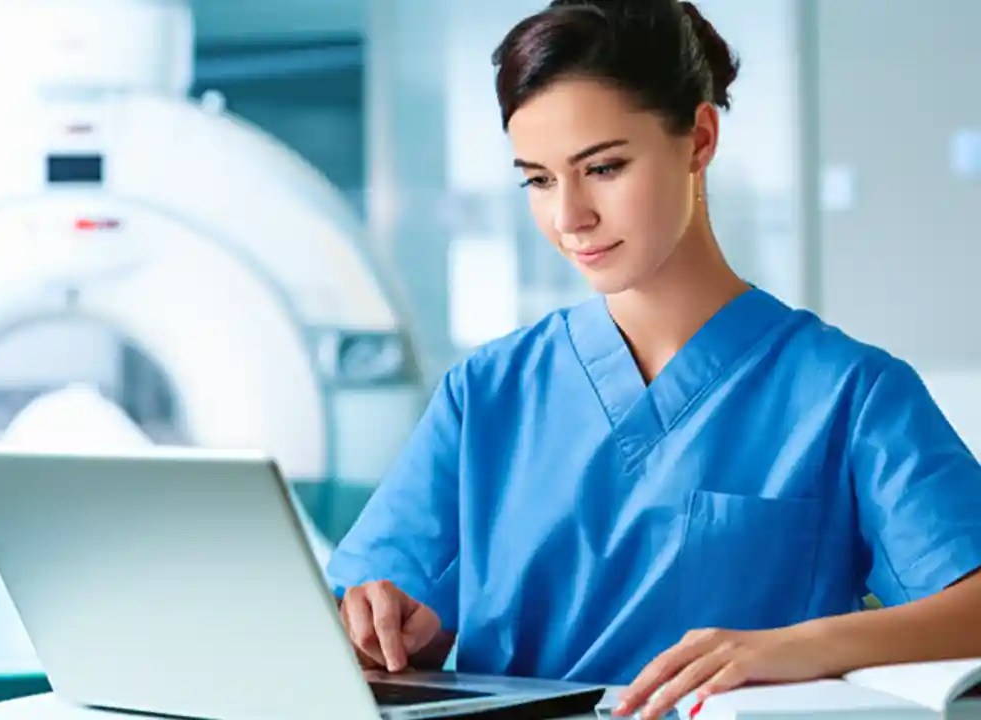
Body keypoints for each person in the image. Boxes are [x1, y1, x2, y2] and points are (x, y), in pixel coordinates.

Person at [325, 1, 981, 719]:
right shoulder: (486, 394)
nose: (569, 216)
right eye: (538, 180)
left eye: (603, 167)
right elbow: (369, 618)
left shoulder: (849, 393)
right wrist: (378, 629)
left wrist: (803, 646)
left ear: (699, 139)